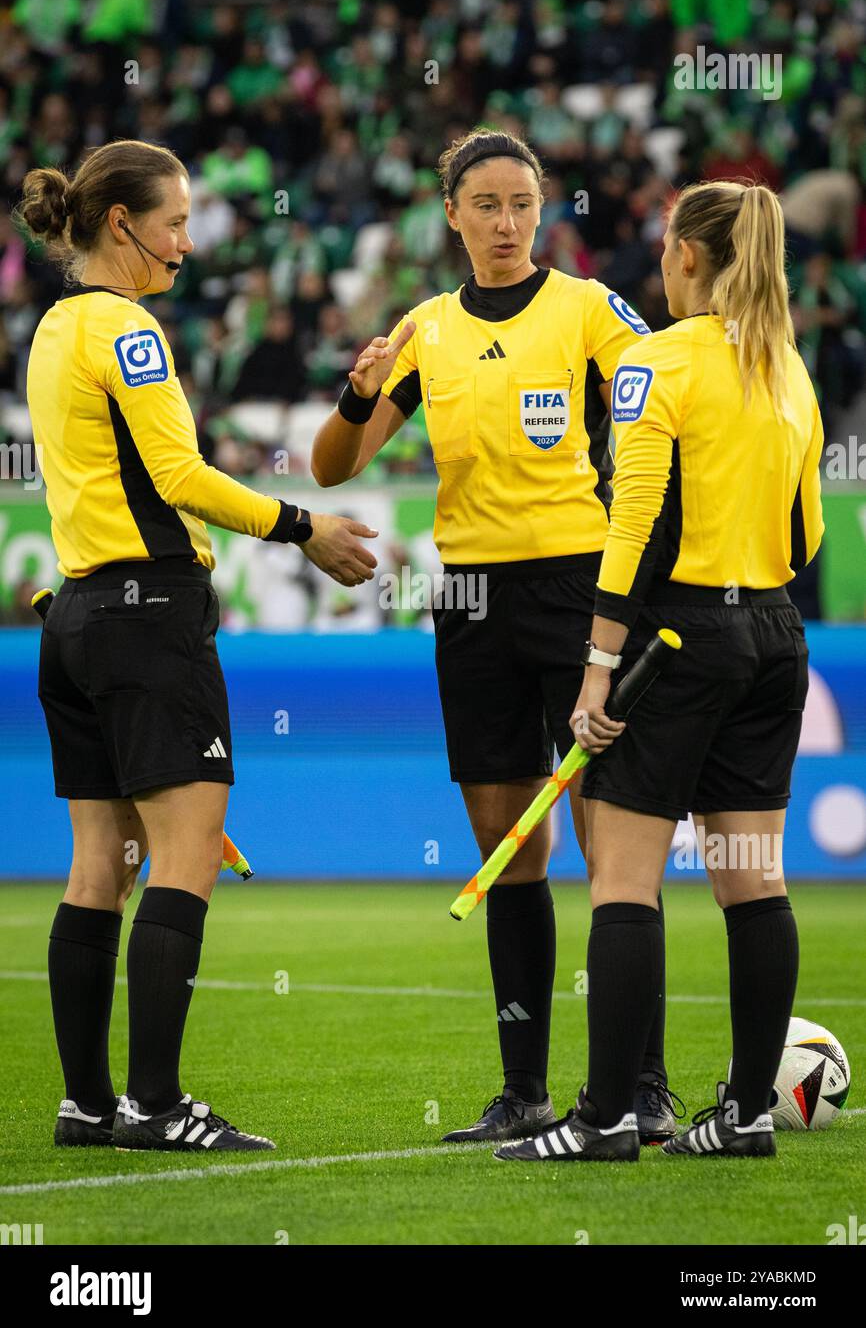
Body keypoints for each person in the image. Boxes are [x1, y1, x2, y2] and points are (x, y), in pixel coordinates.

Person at [311, 128, 683, 1145]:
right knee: (505, 846)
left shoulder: (587, 309)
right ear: (452, 215)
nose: (507, 222)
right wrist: (357, 391)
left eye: (522, 203)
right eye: (486, 204)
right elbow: (335, 465)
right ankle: (523, 1094)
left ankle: (642, 1087)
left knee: (612, 846)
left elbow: (664, 400)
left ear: (541, 210)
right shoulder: (425, 330)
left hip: (579, 588)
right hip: (470, 599)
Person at [20, 139, 379, 1153]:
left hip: (76, 617)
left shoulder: (49, 329)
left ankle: (89, 1104)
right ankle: (156, 1104)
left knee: (98, 866)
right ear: (120, 224)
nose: (186, 243)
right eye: (173, 223)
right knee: (182, 857)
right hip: (150, 617)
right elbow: (179, 476)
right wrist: (302, 527)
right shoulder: (128, 332)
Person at [495, 181, 824, 1164]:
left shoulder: (656, 362)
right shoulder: (787, 367)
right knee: (752, 882)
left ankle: (603, 1118)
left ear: (685, 255)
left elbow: (631, 524)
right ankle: (746, 1115)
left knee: (624, 883)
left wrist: (598, 667)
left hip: (678, 639)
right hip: (774, 632)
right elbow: (804, 537)